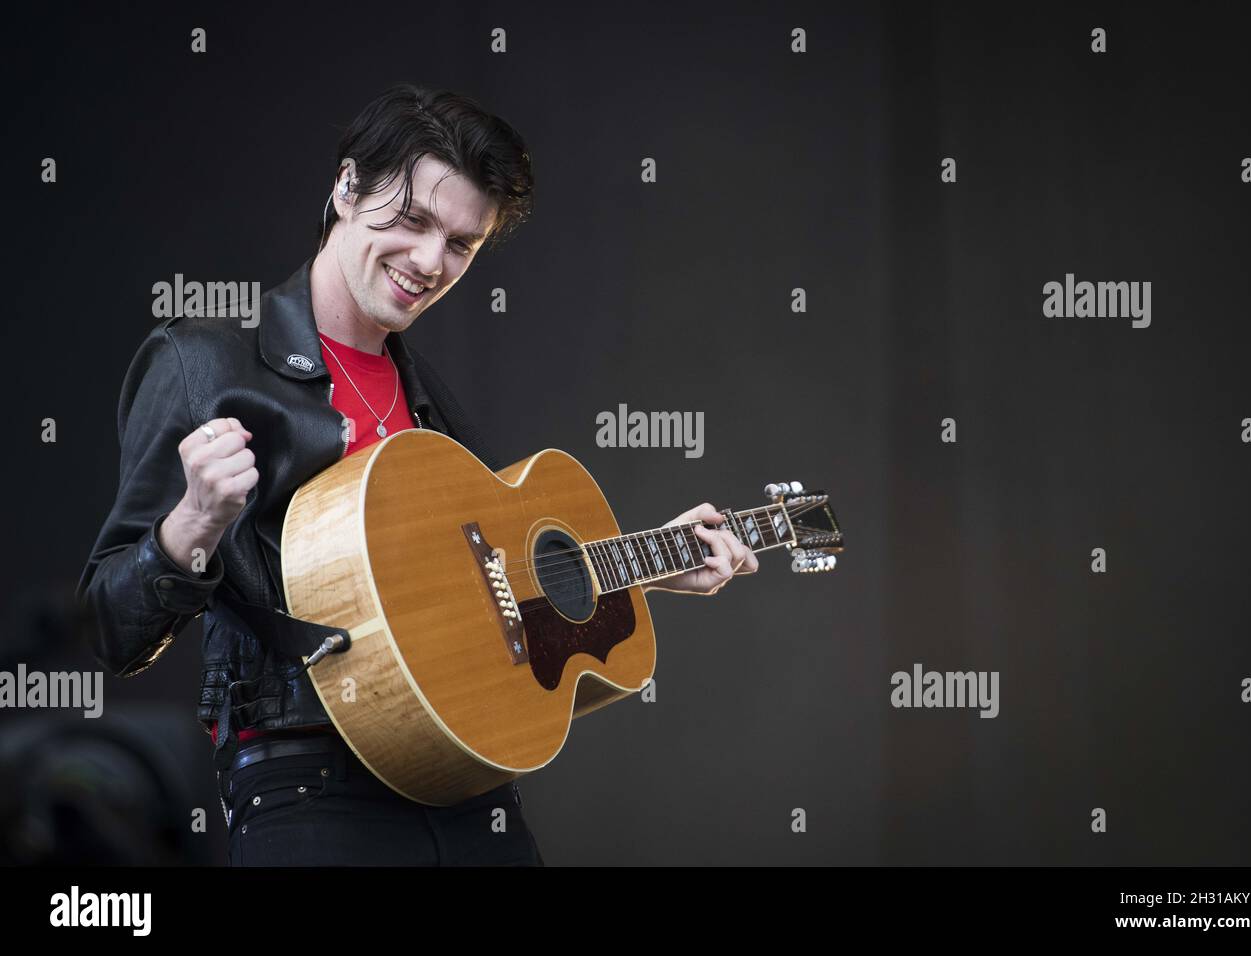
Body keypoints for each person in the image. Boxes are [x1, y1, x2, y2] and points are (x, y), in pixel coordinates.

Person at [76, 83, 758, 866]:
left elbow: (484, 608)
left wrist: (645, 567)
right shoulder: (205, 363)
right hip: (306, 784)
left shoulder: (432, 404)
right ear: (345, 187)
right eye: (412, 220)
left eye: (463, 244)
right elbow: (108, 630)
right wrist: (192, 523)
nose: (431, 262)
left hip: (465, 782)